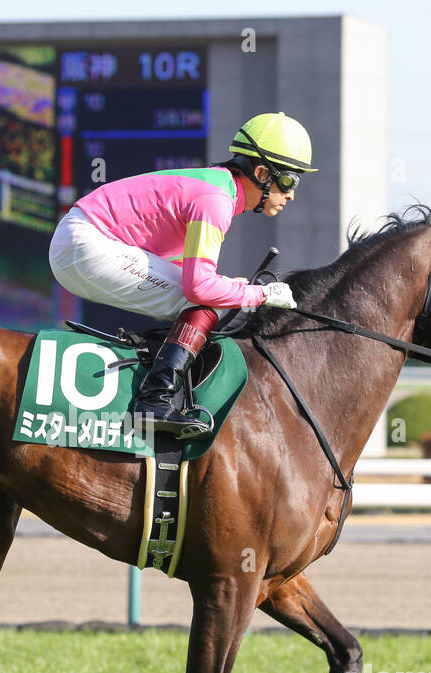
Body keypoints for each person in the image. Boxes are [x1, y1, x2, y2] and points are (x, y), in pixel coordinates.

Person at [49, 112, 315, 438]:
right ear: (261, 173)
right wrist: (260, 295)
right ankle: (154, 398)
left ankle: (155, 372)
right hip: (84, 243)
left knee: (214, 298)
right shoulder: (216, 199)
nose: (291, 195)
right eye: (289, 180)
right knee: (209, 303)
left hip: (81, 240)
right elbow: (199, 287)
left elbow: (183, 271)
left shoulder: (217, 188)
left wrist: (234, 289)